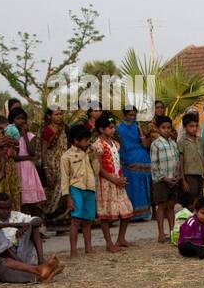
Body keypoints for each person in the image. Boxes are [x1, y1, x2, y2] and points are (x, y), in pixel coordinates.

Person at [91, 113, 134, 252]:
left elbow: (117, 163)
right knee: (106, 214)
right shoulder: (98, 146)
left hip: (118, 181)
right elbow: (99, 168)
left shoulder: (115, 144)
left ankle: (121, 238)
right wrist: (113, 179)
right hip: (106, 183)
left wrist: (120, 178)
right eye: (110, 127)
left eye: (113, 127)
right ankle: (109, 243)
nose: (113, 129)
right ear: (101, 129)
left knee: (127, 210)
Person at [60, 123, 97, 257]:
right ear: (76, 141)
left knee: (88, 220)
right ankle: (73, 250)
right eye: (85, 140)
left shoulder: (89, 153)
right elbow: (64, 178)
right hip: (76, 188)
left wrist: (95, 156)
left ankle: (88, 248)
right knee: (76, 219)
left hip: (90, 189)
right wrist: (67, 197)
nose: (88, 143)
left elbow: (96, 170)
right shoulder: (66, 157)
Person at [0, 192, 45, 266]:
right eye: (2, 208)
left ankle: (41, 261)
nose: (6, 211)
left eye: (8, 208)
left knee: (34, 227)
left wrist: (26, 226)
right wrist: (14, 225)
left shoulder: (16, 215)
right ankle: (24, 267)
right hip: (2, 258)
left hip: (21, 253)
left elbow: (38, 220)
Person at [3, 106, 46, 215]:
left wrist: (25, 135)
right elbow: (14, 157)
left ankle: (33, 227)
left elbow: (32, 152)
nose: (21, 121)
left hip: (28, 170)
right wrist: (28, 158)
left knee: (31, 202)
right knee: (18, 199)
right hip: (16, 168)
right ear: (12, 121)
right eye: (18, 118)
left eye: (23, 118)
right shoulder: (9, 136)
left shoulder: (31, 136)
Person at [115, 107, 153, 221]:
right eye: (130, 115)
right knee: (130, 186)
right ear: (124, 115)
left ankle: (143, 213)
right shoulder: (118, 128)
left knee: (142, 186)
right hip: (127, 159)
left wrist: (140, 130)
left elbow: (145, 144)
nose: (132, 117)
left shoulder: (138, 126)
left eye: (134, 115)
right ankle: (130, 214)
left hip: (142, 158)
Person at [150, 115, 182, 243]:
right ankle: (161, 233)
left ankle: (172, 232)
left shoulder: (173, 144)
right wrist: (164, 178)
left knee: (171, 206)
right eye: (163, 128)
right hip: (161, 180)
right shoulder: (155, 144)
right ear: (158, 129)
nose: (166, 130)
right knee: (161, 206)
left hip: (173, 179)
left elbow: (177, 161)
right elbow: (154, 164)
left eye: (169, 127)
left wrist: (176, 177)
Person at [38, 107, 70, 225]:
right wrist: (46, 170)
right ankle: (51, 218)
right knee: (52, 193)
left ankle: (62, 219)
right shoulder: (48, 131)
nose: (59, 116)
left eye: (60, 114)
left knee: (64, 191)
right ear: (49, 117)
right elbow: (43, 151)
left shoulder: (64, 128)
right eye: (56, 114)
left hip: (64, 163)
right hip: (52, 165)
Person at [177, 110, 204, 204]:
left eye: (196, 126)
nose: (194, 128)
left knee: (199, 200)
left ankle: (196, 218)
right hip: (188, 175)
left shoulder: (201, 141)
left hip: (199, 174)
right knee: (190, 201)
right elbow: (181, 161)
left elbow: (203, 159)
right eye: (191, 126)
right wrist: (183, 180)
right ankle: (190, 218)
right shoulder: (182, 142)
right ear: (185, 127)